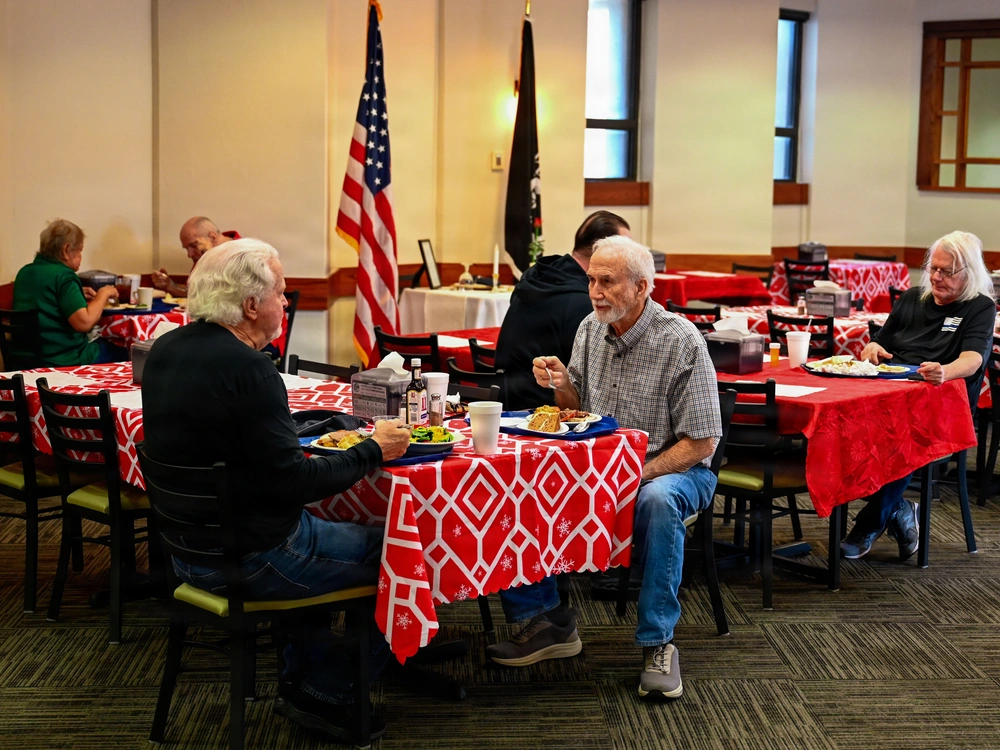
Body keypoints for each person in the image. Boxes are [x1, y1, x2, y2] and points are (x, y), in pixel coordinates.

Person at [141, 239, 411, 742]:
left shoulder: (167, 349)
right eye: (281, 293)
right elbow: (295, 484)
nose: (286, 302)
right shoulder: (251, 368)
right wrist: (374, 449)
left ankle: (302, 675)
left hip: (188, 551)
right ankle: (329, 690)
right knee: (410, 554)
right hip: (255, 556)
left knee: (332, 527)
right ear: (250, 305)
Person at [485, 235, 722, 701]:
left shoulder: (680, 340)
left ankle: (658, 643)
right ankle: (548, 620)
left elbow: (701, 442)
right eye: (592, 280)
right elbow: (575, 410)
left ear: (642, 287)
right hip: (602, 465)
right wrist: (561, 383)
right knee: (520, 477)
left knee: (657, 501)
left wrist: (638, 474)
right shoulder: (590, 328)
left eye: (607, 282)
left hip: (674, 468)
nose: (594, 291)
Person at [842, 230, 995, 561]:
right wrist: (872, 348)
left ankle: (869, 523)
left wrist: (945, 371)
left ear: (968, 272)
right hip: (891, 396)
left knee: (903, 438)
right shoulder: (912, 298)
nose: (936, 277)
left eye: (946, 271)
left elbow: (973, 359)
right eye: (933, 269)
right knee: (843, 427)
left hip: (943, 406)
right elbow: (880, 342)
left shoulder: (980, 307)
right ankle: (898, 508)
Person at [495, 211, 630, 410]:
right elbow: (595, 378)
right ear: (603, 251)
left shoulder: (538, 276)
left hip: (503, 398)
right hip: (543, 409)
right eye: (627, 249)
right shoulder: (583, 299)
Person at [12, 219, 127, 366]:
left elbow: (46, 300)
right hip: (63, 360)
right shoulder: (64, 276)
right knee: (123, 348)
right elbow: (84, 323)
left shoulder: (24, 272)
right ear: (66, 250)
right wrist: (103, 294)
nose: (80, 257)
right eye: (79, 251)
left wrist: (74, 295)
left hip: (24, 359)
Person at [150, 216, 240, 297]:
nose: (189, 254)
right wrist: (170, 286)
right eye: (186, 248)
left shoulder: (243, 254)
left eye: (193, 246)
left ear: (213, 237)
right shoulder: (204, 254)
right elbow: (193, 292)